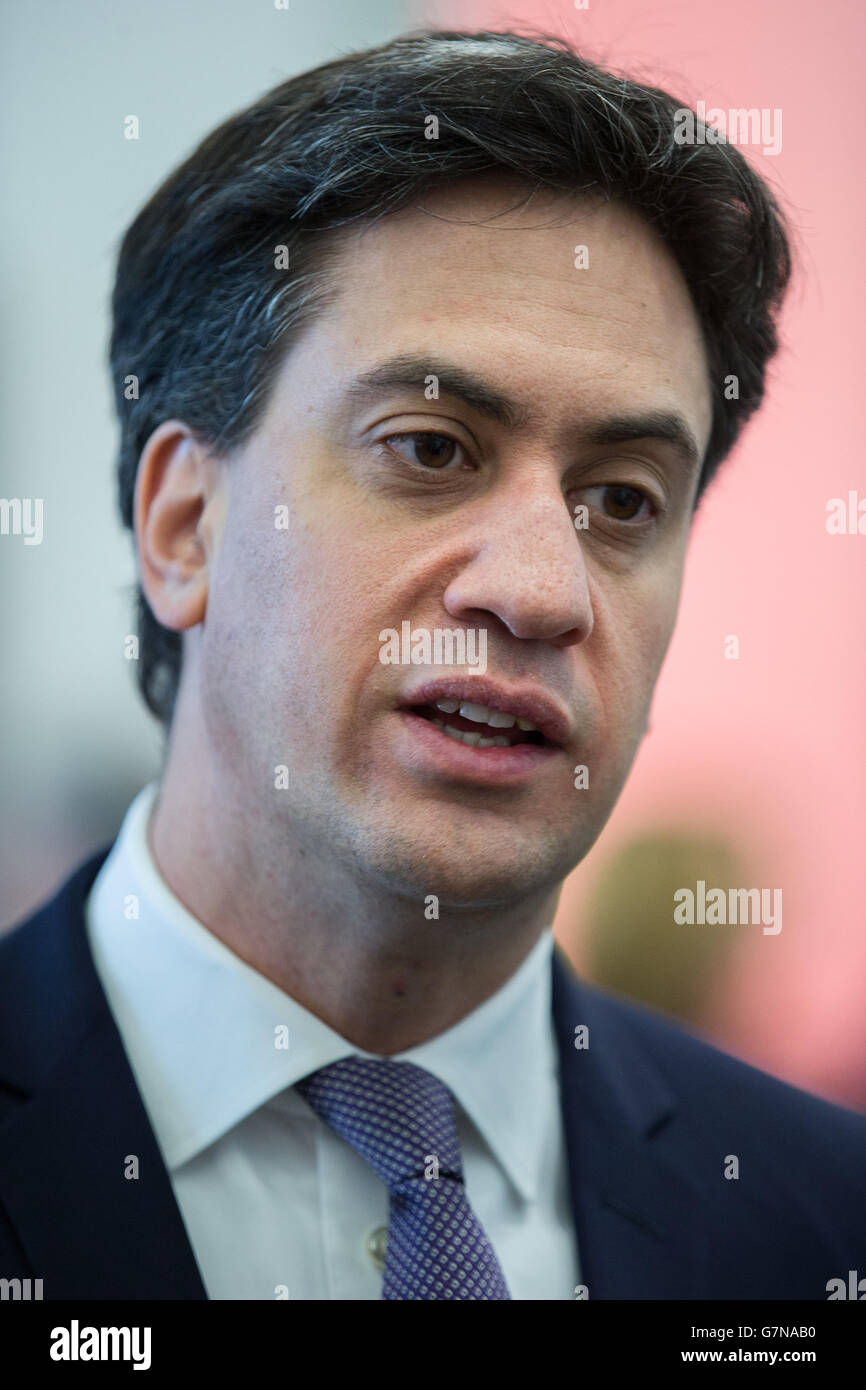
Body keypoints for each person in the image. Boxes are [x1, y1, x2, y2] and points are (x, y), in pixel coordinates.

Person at [1, 28, 863, 1302]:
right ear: (183, 525)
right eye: (430, 449)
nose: (538, 591)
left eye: (622, 500)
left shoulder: (823, 1220)